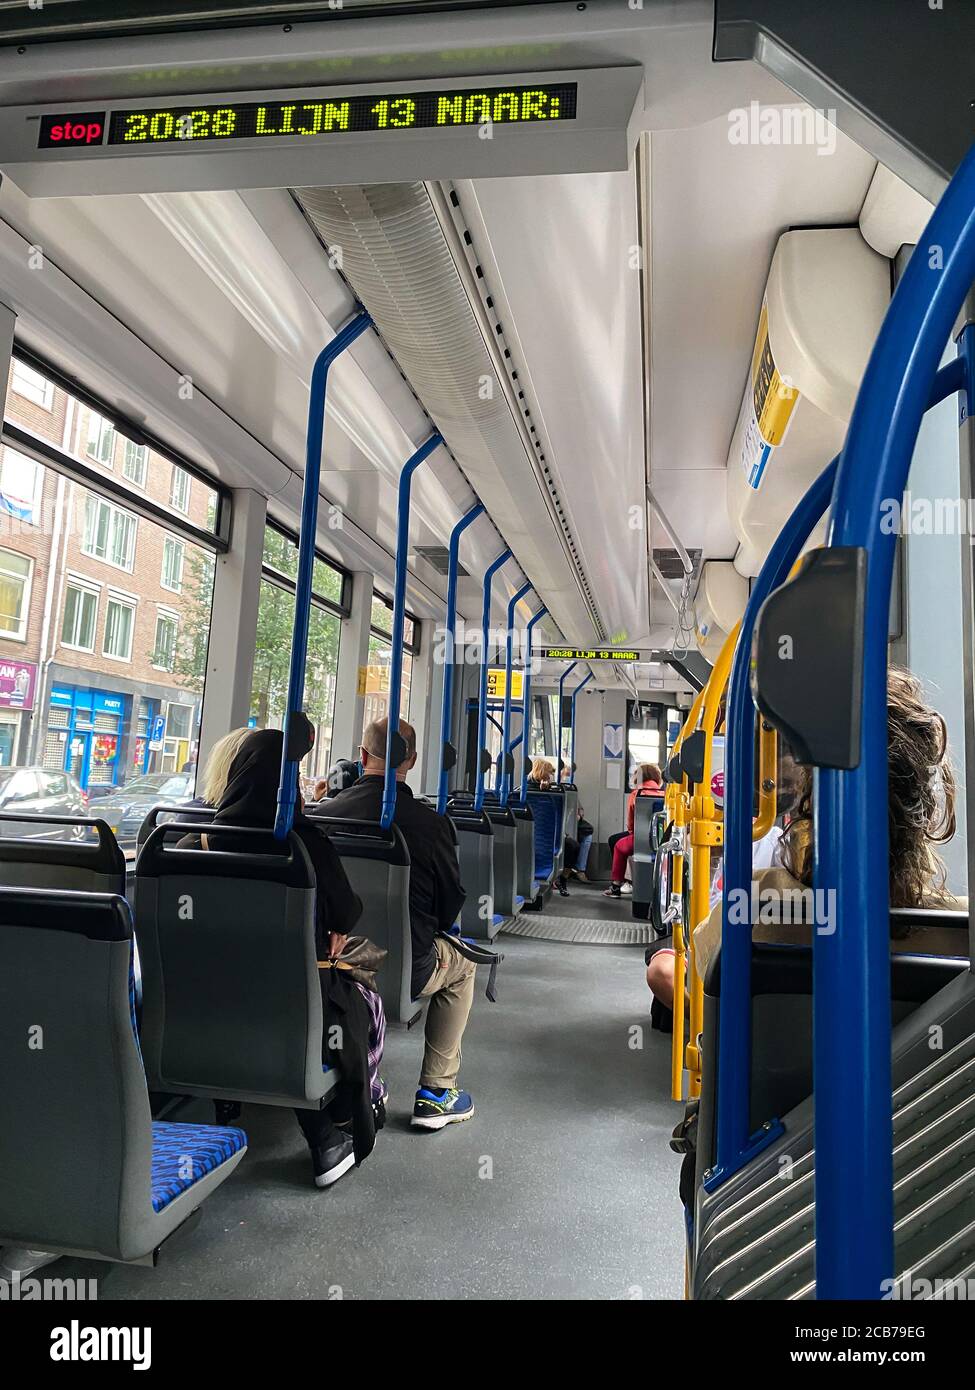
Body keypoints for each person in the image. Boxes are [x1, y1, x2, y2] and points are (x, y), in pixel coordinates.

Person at [647, 668, 961, 1010]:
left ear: (809, 801)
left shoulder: (757, 904)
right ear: (924, 809)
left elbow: (696, 990)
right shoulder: (958, 930)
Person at [201, 728, 385, 1189]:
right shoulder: (303, 847)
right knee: (357, 996)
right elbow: (346, 910)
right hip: (297, 1012)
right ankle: (327, 1129)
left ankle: (215, 1118)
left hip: (204, 1009)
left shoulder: (189, 843)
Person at [315, 717, 477, 1132]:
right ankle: (437, 1093)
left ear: (362, 756)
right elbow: (449, 905)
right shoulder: (433, 825)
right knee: (463, 966)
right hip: (407, 972)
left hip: (332, 969)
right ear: (414, 760)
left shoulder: (324, 816)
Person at [604, 763, 663, 898]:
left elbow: (631, 823)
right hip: (659, 837)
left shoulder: (637, 794)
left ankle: (616, 885)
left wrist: (633, 834)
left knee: (619, 846)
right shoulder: (663, 794)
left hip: (640, 837)